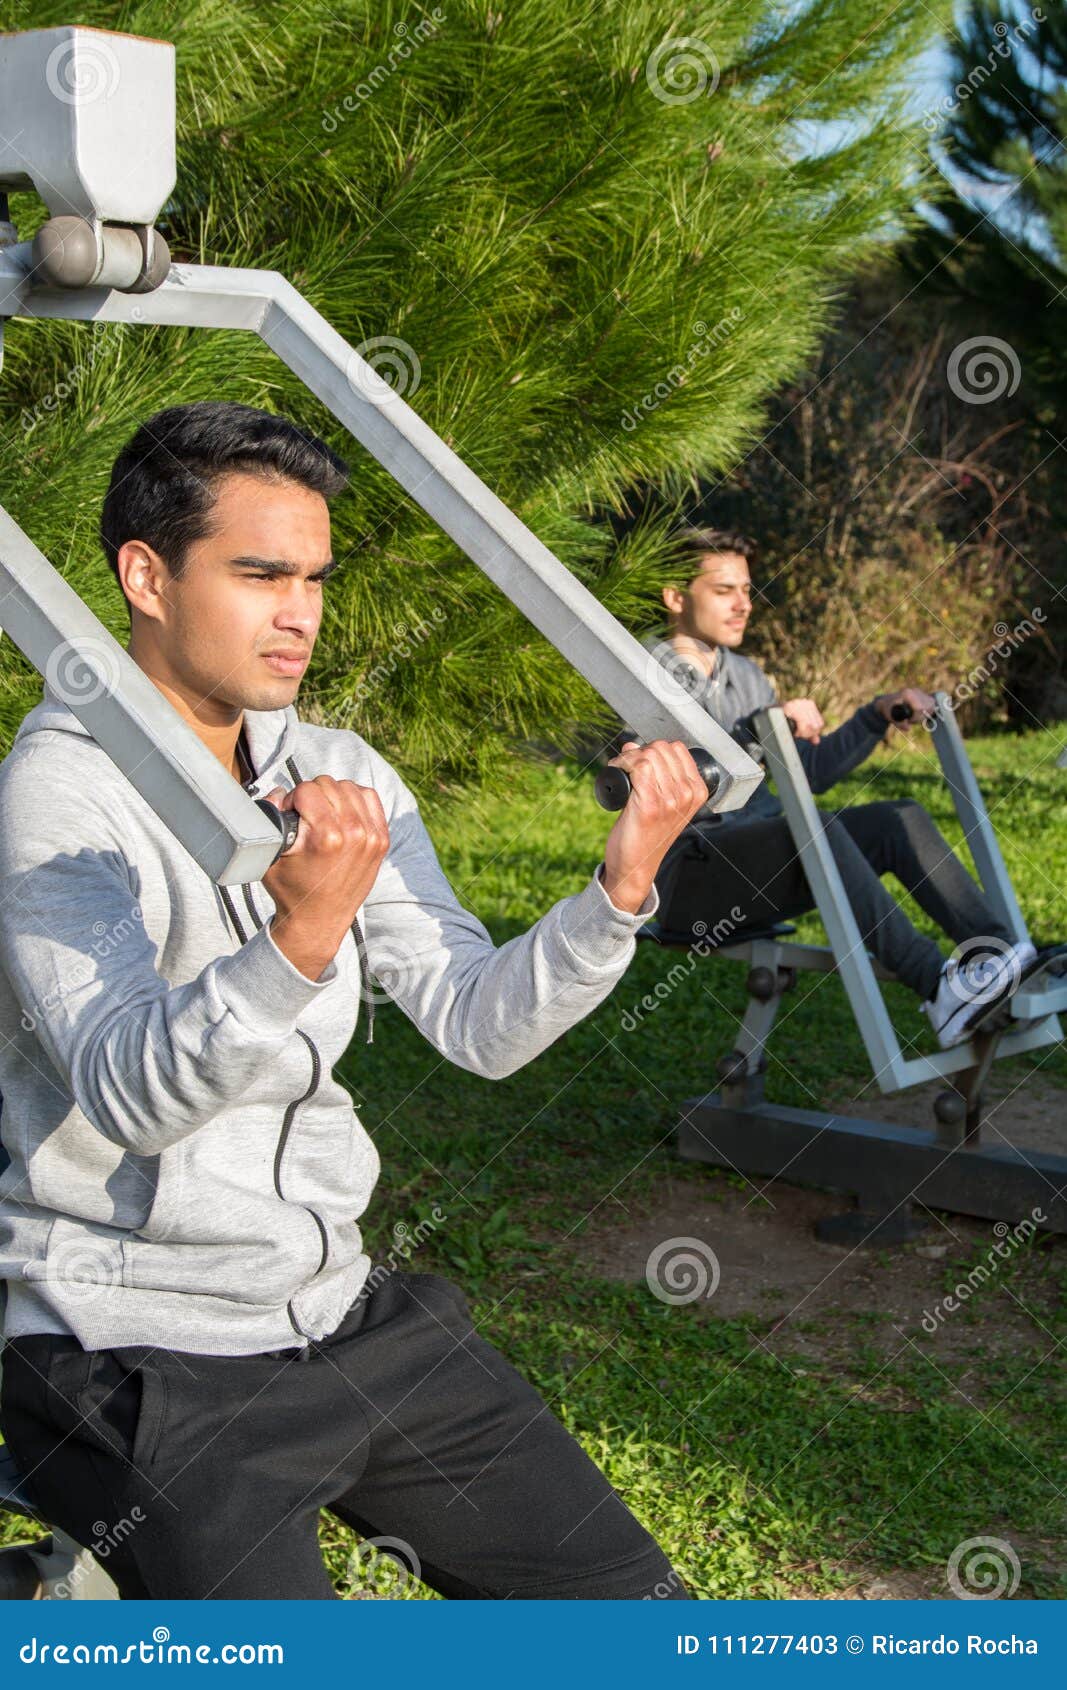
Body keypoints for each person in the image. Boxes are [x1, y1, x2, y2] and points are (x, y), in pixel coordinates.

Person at [0, 401, 710, 1601]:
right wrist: (301, 937)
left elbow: (478, 1025)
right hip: (128, 1342)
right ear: (147, 575)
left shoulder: (340, 773)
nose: (301, 612)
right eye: (260, 573)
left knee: (640, 1629)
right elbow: (126, 1090)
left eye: (316, 577)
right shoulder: (59, 790)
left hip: (341, 1310)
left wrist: (620, 885)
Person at [616, 525, 1038, 1049]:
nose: (743, 604)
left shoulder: (745, 673)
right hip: (686, 881)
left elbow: (806, 775)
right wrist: (761, 727)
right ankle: (939, 989)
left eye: (747, 590)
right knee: (817, 831)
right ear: (676, 597)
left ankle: (999, 959)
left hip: (763, 857)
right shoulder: (645, 674)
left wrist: (873, 716)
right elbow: (664, 780)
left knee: (896, 818)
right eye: (724, 591)